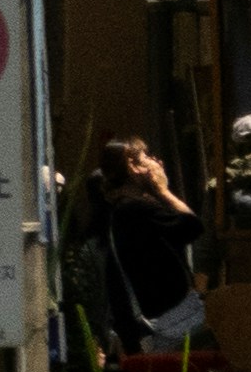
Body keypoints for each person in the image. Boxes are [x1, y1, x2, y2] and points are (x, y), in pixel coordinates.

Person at [87, 135, 211, 355]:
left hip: (153, 322)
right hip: (167, 322)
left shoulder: (123, 210)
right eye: (147, 156)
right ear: (133, 166)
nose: (156, 160)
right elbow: (192, 226)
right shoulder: (136, 211)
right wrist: (163, 191)